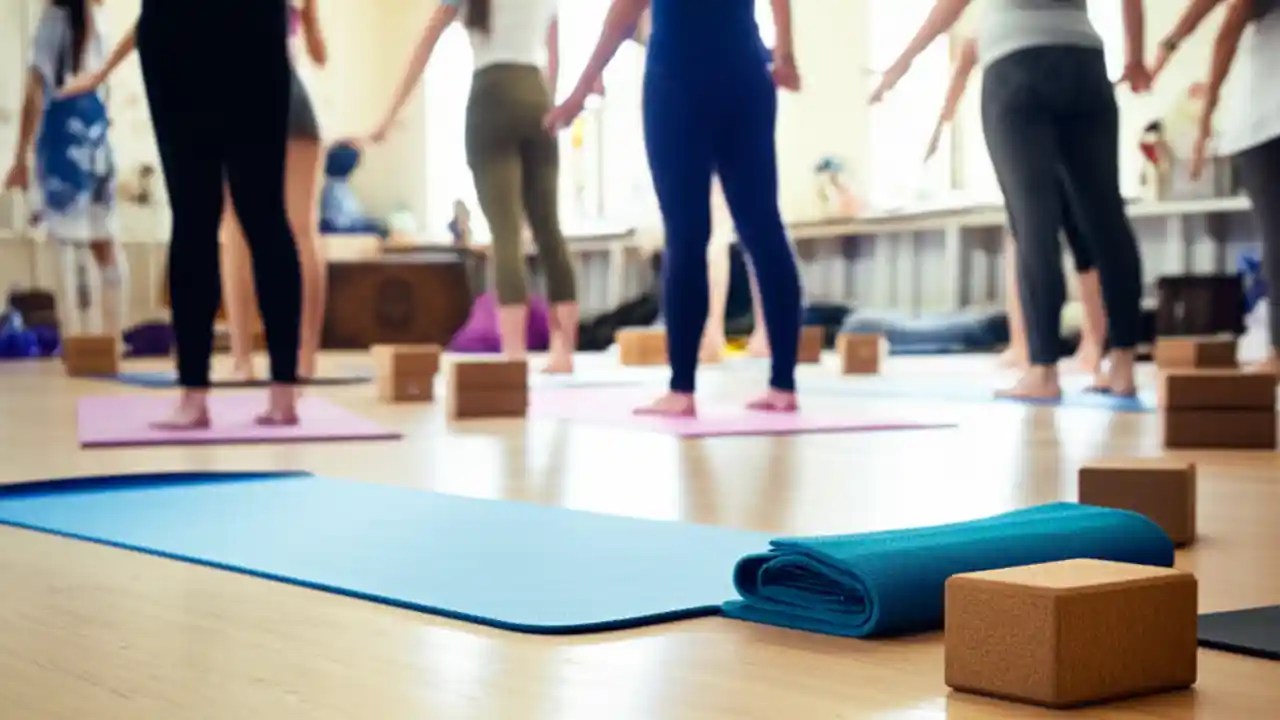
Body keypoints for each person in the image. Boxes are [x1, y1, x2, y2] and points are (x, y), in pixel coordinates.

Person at [872, 0, 1150, 400]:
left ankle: (1043, 371)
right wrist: (1136, 56)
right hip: (1084, 59)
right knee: (1107, 218)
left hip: (1017, 65)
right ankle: (1122, 365)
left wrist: (903, 62)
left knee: (1034, 221)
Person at [546, 0, 803, 416]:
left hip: (680, 79)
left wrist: (583, 85)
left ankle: (681, 389)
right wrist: (785, 55)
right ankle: (783, 385)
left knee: (687, 233)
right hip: (745, 72)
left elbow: (626, 10)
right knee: (763, 227)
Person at [62, 0, 329, 382]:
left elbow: (156, 22)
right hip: (279, 90)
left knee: (242, 229)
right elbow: (319, 54)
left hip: (249, 91)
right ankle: (296, 363)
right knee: (291, 229)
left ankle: (249, 361)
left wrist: (101, 72)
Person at [370, 0, 578, 374]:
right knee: (549, 230)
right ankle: (563, 354)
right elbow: (554, 56)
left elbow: (424, 45)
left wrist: (389, 117)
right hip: (535, 95)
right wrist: (551, 107)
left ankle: (514, 356)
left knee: (506, 234)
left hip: (490, 98)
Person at [134, 0, 303, 427]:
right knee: (259, 212)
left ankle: (195, 396)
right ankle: (281, 395)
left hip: (188, 30)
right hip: (246, 27)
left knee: (197, 214)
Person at [927, 30, 1107, 375]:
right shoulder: (984, 35)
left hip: (1055, 136)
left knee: (1079, 240)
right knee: (1024, 238)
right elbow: (958, 82)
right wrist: (939, 127)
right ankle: (1024, 342)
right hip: (1025, 147)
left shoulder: (1027, 30)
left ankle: (1092, 342)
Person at [1154, 0, 1280, 376]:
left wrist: (1207, 117)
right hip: (1265, 122)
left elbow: (1228, 27)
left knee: (1276, 234)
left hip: (1265, 123)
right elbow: (1223, 19)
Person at [4, 0, 128, 341]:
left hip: (63, 138)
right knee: (105, 241)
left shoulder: (54, 19)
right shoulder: (94, 18)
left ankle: (77, 339)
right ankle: (111, 338)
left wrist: (20, 157)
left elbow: (34, 90)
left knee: (66, 241)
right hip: (94, 137)